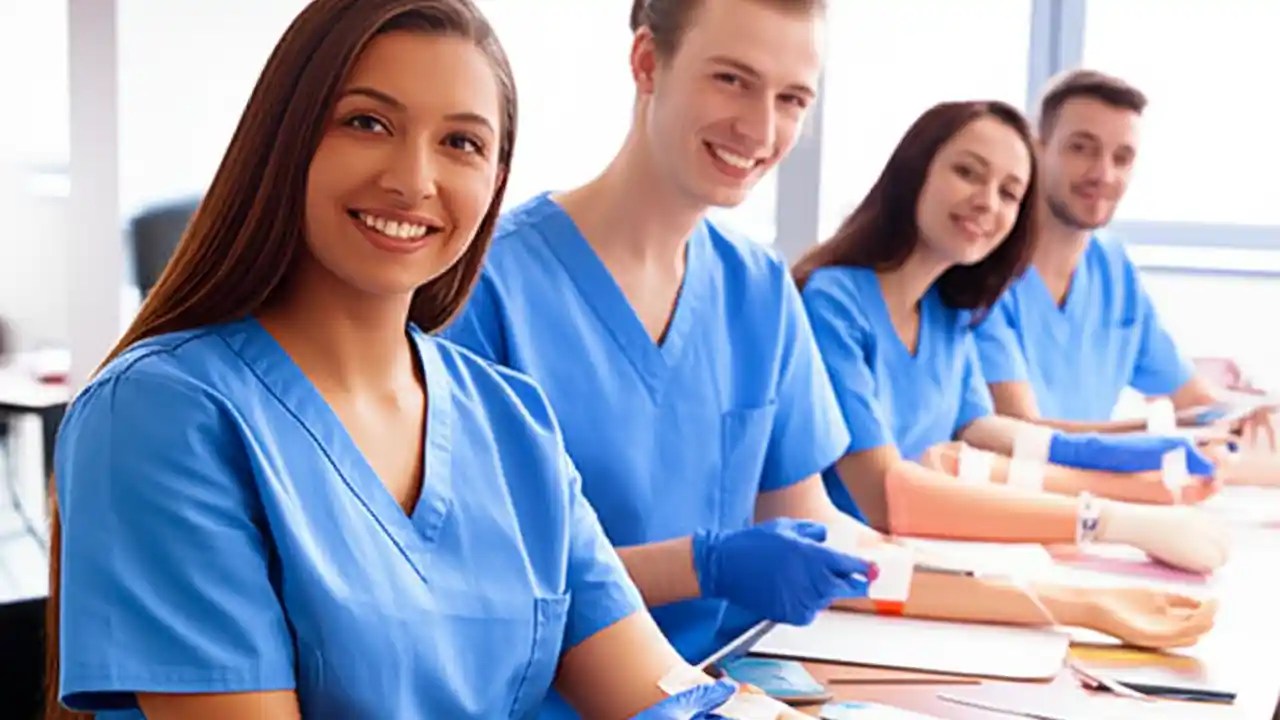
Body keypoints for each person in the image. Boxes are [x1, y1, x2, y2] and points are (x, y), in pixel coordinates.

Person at [443, 5, 1218, 717]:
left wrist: (1071, 604)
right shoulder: (488, 289)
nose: (760, 127)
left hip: (731, 675)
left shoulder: (757, 289)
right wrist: (702, 565)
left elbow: (825, 538)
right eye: (732, 80)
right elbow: (497, 584)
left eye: (792, 99)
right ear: (647, 63)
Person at [45, 2, 772, 718]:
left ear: (494, 182)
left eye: (462, 143)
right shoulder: (161, 417)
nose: (413, 180)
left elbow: (657, 693)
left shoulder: (510, 421)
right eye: (368, 123)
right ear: (287, 140)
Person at [793, 100, 1228, 575]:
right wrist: (1105, 518)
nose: (987, 202)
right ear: (914, 172)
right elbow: (885, 495)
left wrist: (1117, 464)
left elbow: (988, 435)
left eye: (1009, 192)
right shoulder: (833, 303)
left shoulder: (945, 313)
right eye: (967, 172)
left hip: (910, 565)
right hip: (837, 579)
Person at [973, 69, 1276, 449]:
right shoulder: (986, 269)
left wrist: (1252, 409)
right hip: (1015, 491)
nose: (1103, 173)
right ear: (1038, 149)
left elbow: (1196, 399)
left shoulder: (1112, 267)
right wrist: (1166, 428)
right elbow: (1020, 429)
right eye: (1081, 148)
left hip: (1093, 492)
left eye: (1122, 157)